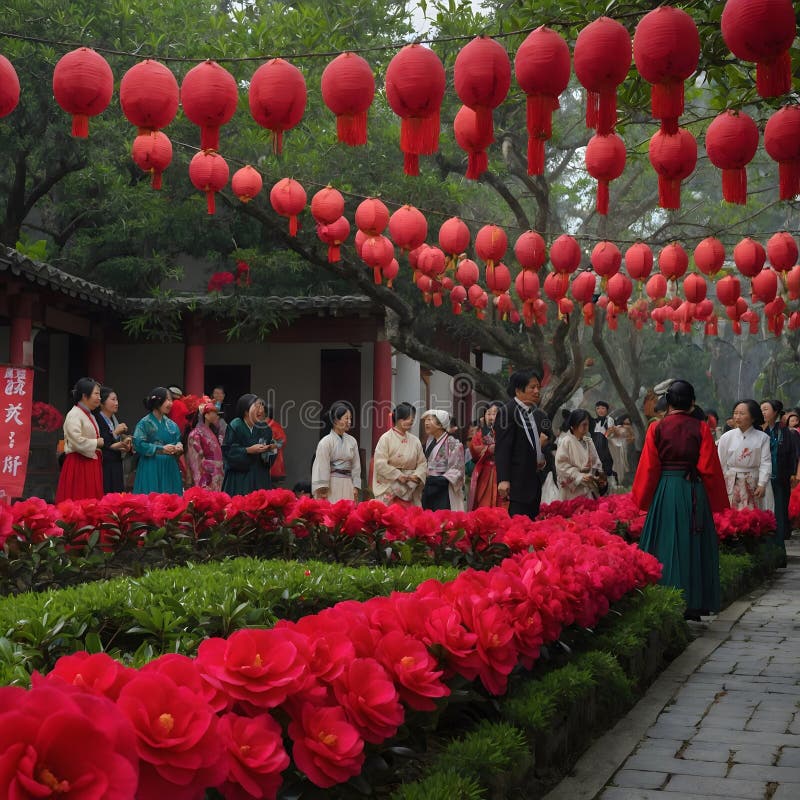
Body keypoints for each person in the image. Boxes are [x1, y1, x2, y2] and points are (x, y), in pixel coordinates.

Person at [632, 380, 728, 620]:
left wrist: (643, 499)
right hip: (693, 490)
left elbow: (649, 468)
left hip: (666, 488)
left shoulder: (656, 428)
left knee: (664, 542)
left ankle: (665, 596)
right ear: (692, 402)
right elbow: (709, 468)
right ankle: (695, 603)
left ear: (669, 402)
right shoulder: (702, 429)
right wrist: (714, 500)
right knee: (694, 544)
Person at [495, 369, 550, 519]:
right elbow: (502, 448)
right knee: (517, 531)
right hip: (516, 486)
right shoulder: (508, 411)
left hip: (533, 482)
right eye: (532, 387)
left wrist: (541, 459)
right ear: (518, 390)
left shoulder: (532, 412)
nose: (537, 391)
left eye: (538, 387)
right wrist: (503, 479)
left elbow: (530, 444)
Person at [55, 377, 105, 503]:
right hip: (79, 463)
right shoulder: (74, 414)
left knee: (91, 499)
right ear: (84, 395)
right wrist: (96, 443)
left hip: (89, 461)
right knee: (80, 498)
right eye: (96, 394)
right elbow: (76, 440)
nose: (99, 397)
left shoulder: (89, 414)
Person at [716, 400, 772, 510]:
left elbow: (765, 462)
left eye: (742, 413)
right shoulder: (726, 437)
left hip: (753, 482)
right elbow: (720, 462)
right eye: (735, 413)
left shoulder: (763, 438)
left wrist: (762, 483)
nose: (737, 417)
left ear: (753, 417)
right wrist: (721, 483)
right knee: (733, 518)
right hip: (732, 482)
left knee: (754, 517)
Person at [372, 402, 427, 506]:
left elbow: (422, 463)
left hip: (410, 488)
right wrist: (398, 475)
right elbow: (380, 464)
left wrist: (417, 475)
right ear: (398, 419)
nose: (411, 421)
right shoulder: (386, 438)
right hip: (390, 488)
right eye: (407, 418)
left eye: (413, 418)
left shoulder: (415, 441)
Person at [222, 394, 278, 496]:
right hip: (239, 478)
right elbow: (228, 452)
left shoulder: (265, 428)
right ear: (246, 411)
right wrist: (247, 450)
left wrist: (271, 450)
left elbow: (267, 461)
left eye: (261, 406)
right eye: (257, 406)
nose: (261, 410)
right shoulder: (236, 425)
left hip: (260, 477)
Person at [132, 387, 184, 495]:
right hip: (151, 465)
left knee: (170, 502)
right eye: (167, 400)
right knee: (151, 499)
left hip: (169, 466)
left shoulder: (172, 424)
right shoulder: (144, 423)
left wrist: (179, 446)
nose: (170, 403)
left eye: (171, 400)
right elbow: (138, 444)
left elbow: (177, 440)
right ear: (157, 401)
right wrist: (160, 449)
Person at [761, 399, 795, 557]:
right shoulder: (759, 431)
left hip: (780, 480)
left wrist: (791, 474)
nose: (763, 412)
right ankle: (765, 552)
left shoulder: (785, 432)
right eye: (761, 409)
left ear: (775, 412)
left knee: (779, 515)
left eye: (766, 409)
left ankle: (778, 553)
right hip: (762, 481)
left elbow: (791, 455)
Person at [311, 404, 361, 502]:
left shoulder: (352, 441)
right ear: (335, 420)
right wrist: (323, 487)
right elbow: (322, 466)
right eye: (346, 418)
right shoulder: (325, 442)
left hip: (348, 484)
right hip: (331, 485)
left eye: (350, 418)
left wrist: (356, 486)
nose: (349, 422)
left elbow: (356, 465)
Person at [421, 409, 465, 511]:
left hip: (444, 490)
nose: (426, 423)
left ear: (441, 424)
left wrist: (438, 479)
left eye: (430, 420)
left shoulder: (453, 443)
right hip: (429, 488)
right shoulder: (430, 442)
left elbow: (457, 470)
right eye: (426, 420)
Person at [555, 409, 604, 500]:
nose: (586, 427)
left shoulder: (588, 441)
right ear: (573, 425)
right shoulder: (566, 441)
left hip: (589, 489)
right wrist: (578, 475)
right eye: (583, 424)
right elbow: (561, 465)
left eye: (587, 424)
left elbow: (596, 462)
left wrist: (599, 475)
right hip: (573, 492)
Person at [467, 401, 506, 510]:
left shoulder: (506, 432)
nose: (491, 417)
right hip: (485, 472)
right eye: (488, 413)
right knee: (483, 503)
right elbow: (474, 452)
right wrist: (488, 449)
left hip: (502, 471)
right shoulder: (480, 433)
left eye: (494, 413)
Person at [93, 386, 131, 494]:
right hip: (104, 464)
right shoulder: (97, 419)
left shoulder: (113, 419)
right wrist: (116, 432)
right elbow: (102, 442)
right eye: (113, 399)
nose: (116, 403)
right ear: (102, 402)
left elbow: (114, 442)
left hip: (116, 463)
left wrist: (125, 444)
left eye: (117, 400)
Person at [186, 402, 224, 491]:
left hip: (217, 472)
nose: (217, 416)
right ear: (206, 415)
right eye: (214, 413)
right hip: (207, 474)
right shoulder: (195, 434)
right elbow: (196, 459)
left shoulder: (213, 431)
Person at [607, 412, 634, 485]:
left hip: (624, 448)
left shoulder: (630, 428)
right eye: (625, 423)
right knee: (617, 463)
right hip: (616, 447)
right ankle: (615, 481)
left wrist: (626, 440)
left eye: (628, 423)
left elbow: (632, 438)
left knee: (622, 465)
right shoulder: (617, 427)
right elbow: (612, 436)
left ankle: (620, 481)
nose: (626, 425)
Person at [264, 404, 288, 486]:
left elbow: (282, 441)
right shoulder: (259, 425)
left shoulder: (275, 426)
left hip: (273, 462)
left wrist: (271, 445)